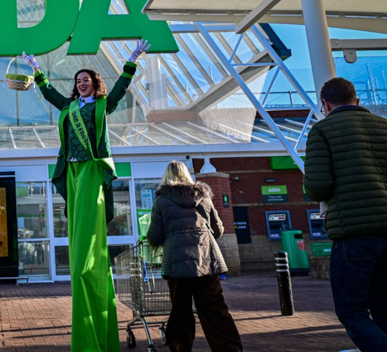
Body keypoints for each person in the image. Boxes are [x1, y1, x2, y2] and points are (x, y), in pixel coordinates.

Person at [19, 39, 149, 352]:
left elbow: (120, 89)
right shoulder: (68, 107)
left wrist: (132, 58)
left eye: (86, 81)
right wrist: (36, 69)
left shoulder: (103, 105)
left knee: (89, 221)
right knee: (75, 218)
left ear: (94, 85)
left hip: (91, 168)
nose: (81, 85)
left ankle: (87, 263)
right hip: (72, 171)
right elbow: (49, 93)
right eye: (78, 82)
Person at [304, 77, 387, 352]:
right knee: (384, 308)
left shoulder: (323, 130)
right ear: (358, 100)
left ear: (325, 104)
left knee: (352, 311)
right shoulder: (384, 127)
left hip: (353, 235)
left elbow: (317, 187)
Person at [147, 161, 242, 352]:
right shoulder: (204, 197)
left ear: (167, 177)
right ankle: (230, 348)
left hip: (177, 264)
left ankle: (180, 348)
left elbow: (154, 236)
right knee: (214, 309)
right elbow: (218, 229)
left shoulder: (161, 201)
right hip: (207, 261)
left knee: (181, 311)